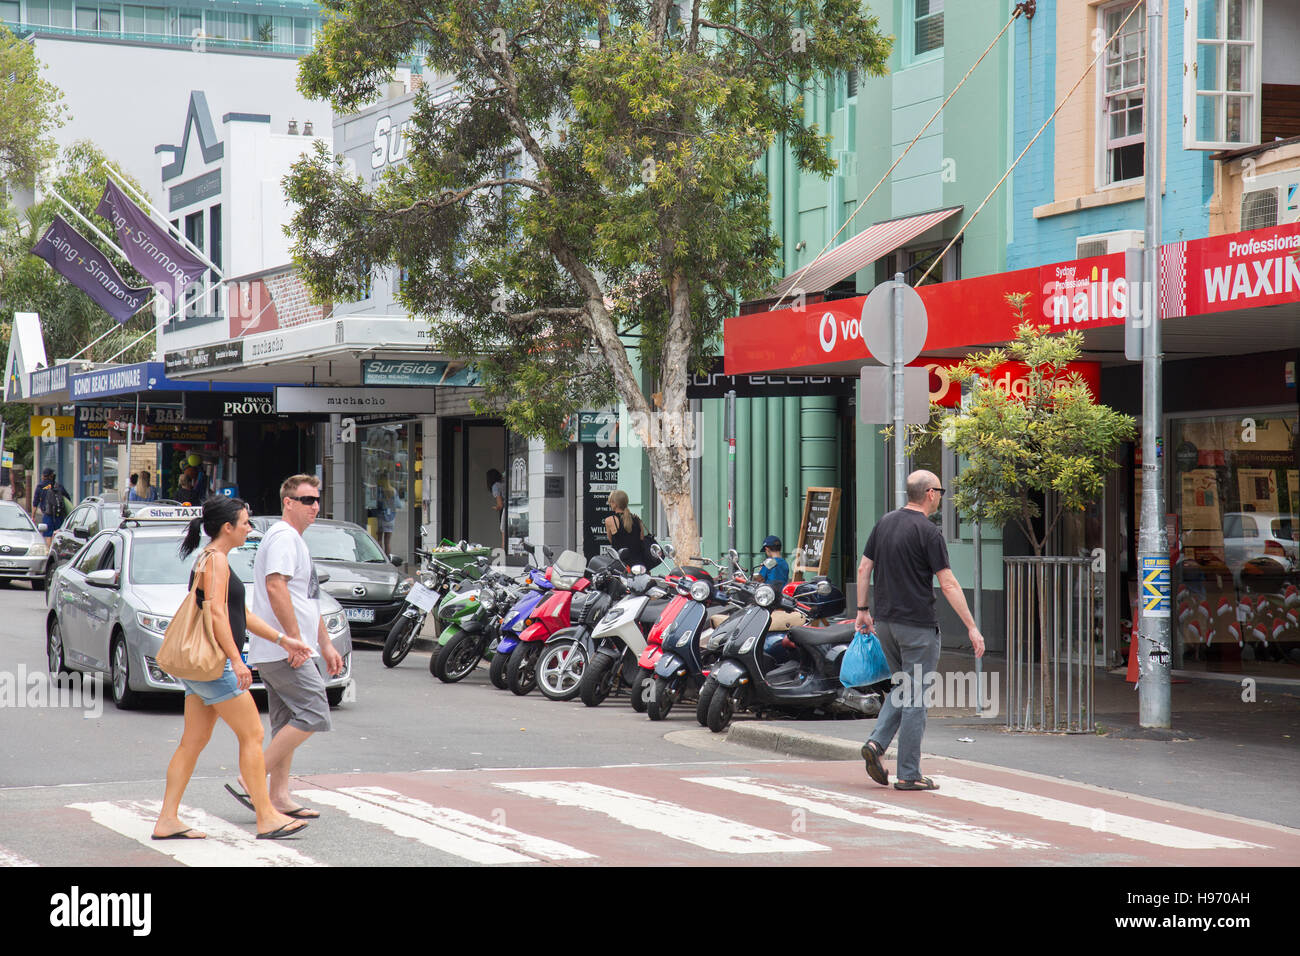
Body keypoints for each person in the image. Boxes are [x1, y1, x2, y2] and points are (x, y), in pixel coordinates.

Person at [153, 496, 311, 840]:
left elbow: (243, 615)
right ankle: (267, 815)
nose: (249, 529)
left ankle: (167, 819)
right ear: (228, 527)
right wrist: (237, 661)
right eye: (245, 523)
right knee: (252, 735)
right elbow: (217, 614)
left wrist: (284, 640)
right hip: (215, 665)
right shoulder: (217, 561)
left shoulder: (209, 558)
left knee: (192, 743)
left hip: (200, 669)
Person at [856, 470, 985, 792]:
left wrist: (862, 610)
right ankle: (909, 774)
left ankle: (876, 744)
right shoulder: (929, 532)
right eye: (940, 490)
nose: (941, 495)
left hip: (885, 623)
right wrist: (972, 627)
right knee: (915, 699)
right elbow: (948, 582)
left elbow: (863, 568)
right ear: (929, 493)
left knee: (903, 689)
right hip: (917, 627)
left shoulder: (884, 523)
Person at [239, 474, 344, 819]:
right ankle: (251, 778)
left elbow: (307, 599)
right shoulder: (284, 537)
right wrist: (293, 640)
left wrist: (325, 645)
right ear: (288, 502)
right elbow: (275, 587)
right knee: (314, 712)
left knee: (286, 722)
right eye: (307, 500)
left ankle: (279, 796)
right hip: (284, 649)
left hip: (288, 648)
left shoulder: (295, 540)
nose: (315, 506)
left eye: (317, 500)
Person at [755, 535, 795, 665]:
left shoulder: (769, 562)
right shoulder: (784, 563)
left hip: (769, 597)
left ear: (767, 549)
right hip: (782, 597)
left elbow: (760, 579)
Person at [604, 490, 654, 568]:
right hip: (639, 564)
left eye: (610, 502)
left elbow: (612, 541)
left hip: (621, 565)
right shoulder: (637, 519)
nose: (610, 504)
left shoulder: (610, 520)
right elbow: (641, 540)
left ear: (615, 503)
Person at [33, 469, 70, 542]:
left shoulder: (40, 487)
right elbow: (67, 499)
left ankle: (49, 551)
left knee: (48, 535)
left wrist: (33, 516)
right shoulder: (58, 486)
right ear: (51, 476)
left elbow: (35, 503)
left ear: (43, 476)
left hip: (47, 515)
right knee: (58, 534)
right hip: (59, 515)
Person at [376, 470, 397, 555]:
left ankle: (381, 558)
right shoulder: (393, 490)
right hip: (390, 518)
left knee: (379, 539)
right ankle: (388, 558)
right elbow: (398, 504)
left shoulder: (380, 490)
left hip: (381, 517)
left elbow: (377, 503)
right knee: (387, 541)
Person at [487, 469, 505, 551]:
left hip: (505, 511)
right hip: (514, 508)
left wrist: (496, 507)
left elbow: (500, 505)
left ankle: (504, 553)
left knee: (504, 533)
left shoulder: (495, 486)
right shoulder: (503, 484)